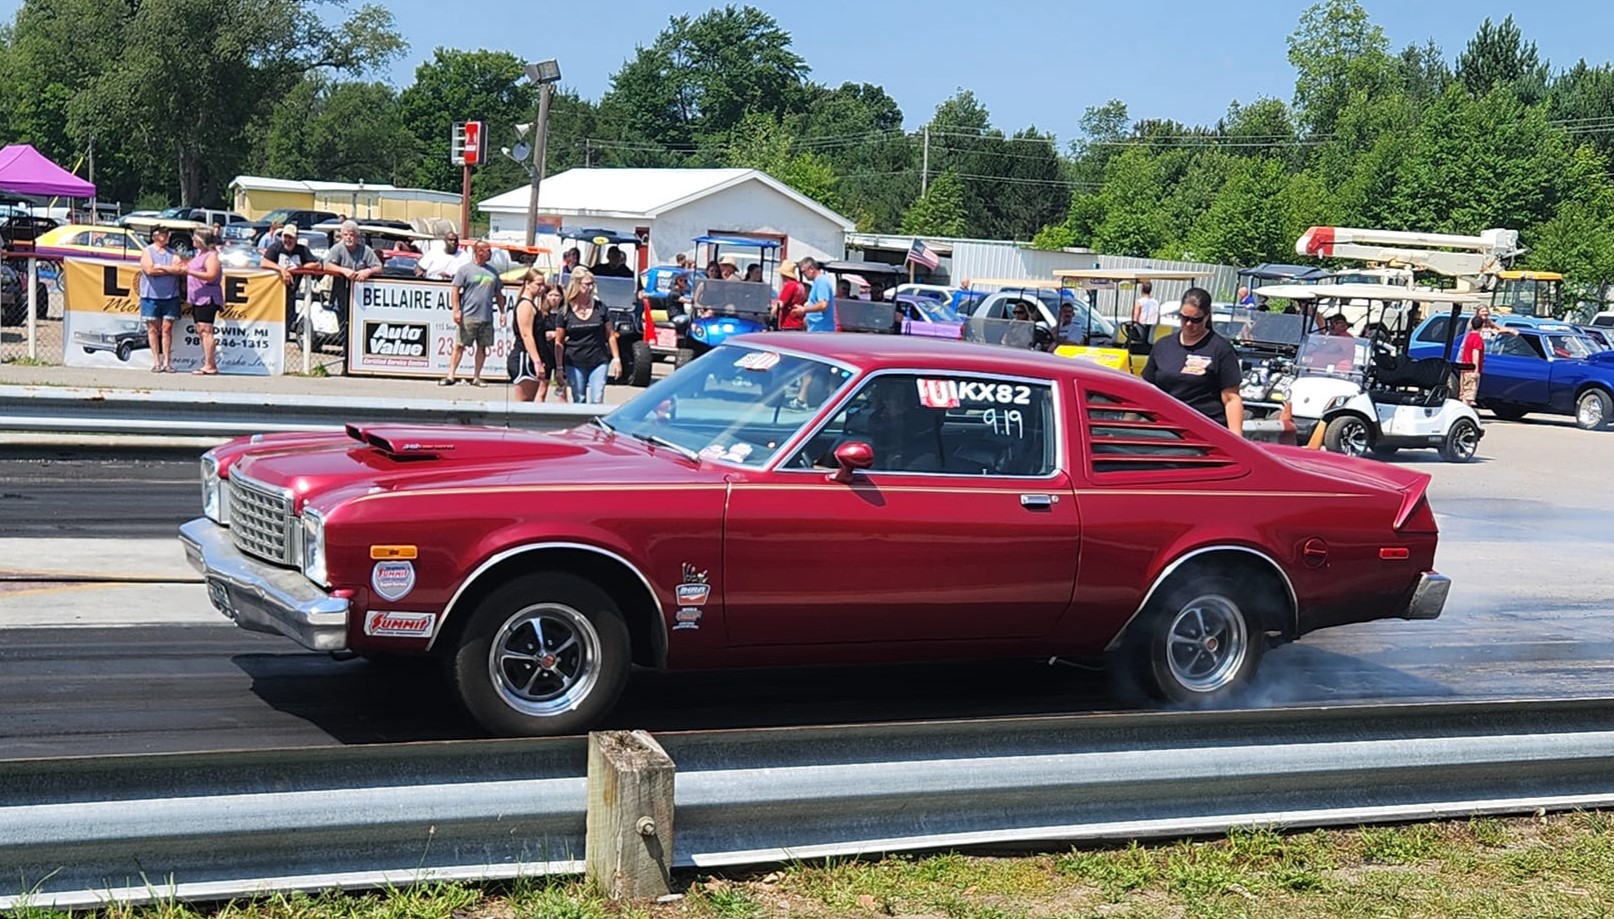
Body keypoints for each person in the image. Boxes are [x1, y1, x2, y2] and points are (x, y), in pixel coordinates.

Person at [1142, 287, 1243, 436]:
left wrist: (1237, 439)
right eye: (1184, 318)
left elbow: (1231, 398)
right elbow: (1146, 390)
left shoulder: (1220, 349)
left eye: (1196, 320)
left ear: (1207, 317)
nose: (1189, 324)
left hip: (1204, 431)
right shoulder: (1163, 346)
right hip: (1164, 430)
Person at [442, 241, 505, 387]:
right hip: (468, 315)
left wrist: (503, 312)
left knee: (482, 346)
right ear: (479, 251)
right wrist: (456, 310)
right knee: (460, 345)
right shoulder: (465, 270)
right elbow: (455, 290)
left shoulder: (493, 272)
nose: (490, 253)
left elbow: (499, 293)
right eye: (488, 250)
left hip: (486, 316)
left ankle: (477, 376)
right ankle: (451, 375)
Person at [555, 268, 620, 403]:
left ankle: (595, 423)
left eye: (592, 284)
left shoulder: (601, 308)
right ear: (577, 285)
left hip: (598, 360)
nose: (590, 288)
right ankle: (581, 424)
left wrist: (616, 359)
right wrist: (559, 368)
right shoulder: (565, 312)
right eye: (586, 284)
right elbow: (559, 342)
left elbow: (610, 335)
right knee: (579, 398)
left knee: (597, 398)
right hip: (574, 362)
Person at [324, 219, 382, 343]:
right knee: (343, 324)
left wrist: (367, 272)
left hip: (362, 297)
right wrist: (344, 271)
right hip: (341, 294)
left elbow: (379, 267)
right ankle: (345, 351)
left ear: (357, 237)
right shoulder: (337, 248)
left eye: (352, 235)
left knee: (360, 325)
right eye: (346, 234)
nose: (349, 238)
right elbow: (326, 265)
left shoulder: (365, 250)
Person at [138, 226, 185, 373]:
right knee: (153, 328)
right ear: (154, 236)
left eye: (166, 234)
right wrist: (168, 269)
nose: (165, 237)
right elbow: (149, 270)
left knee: (167, 328)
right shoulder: (147, 251)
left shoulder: (173, 253)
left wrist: (161, 267)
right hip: (150, 296)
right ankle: (156, 361)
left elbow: (179, 269)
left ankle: (167, 361)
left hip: (170, 296)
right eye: (162, 234)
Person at [259, 224, 319, 334]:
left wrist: (300, 268)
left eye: (290, 237)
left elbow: (317, 264)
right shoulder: (276, 247)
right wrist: (282, 270)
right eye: (285, 237)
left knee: (288, 319)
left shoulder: (302, 250)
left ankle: (284, 341)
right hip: (275, 292)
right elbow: (264, 262)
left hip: (291, 292)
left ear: (296, 238)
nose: (287, 240)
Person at [184, 228, 223, 375]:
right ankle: (208, 362)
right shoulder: (199, 254)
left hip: (208, 297)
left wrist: (189, 272)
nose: (193, 240)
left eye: (195, 238)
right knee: (201, 329)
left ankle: (210, 364)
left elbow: (211, 275)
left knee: (206, 330)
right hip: (197, 297)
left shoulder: (212, 256)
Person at [508, 269, 547, 401]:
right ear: (527, 284)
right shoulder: (525, 305)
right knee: (523, 403)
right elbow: (526, 336)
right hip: (524, 358)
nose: (542, 288)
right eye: (538, 284)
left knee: (530, 401)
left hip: (530, 358)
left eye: (543, 285)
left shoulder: (532, 305)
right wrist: (537, 362)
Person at [796, 257, 836, 333]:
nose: (803, 275)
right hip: (816, 329)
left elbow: (823, 305)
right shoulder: (817, 283)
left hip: (822, 330)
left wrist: (804, 309)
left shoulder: (822, 282)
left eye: (804, 272)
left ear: (812, 269)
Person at [1458, 314, 1486, 406]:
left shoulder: (1468, 337)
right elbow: (1475, 354)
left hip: (1464, 369)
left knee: (1463, 394)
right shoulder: (1478, 339)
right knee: (1469, 396)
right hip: (1471, 370)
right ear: (1482, 325)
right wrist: (1476, 370)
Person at [774, 260, 807, 330]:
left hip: (788, 323)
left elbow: (780, 304)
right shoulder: (800, 285)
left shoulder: (789, 285)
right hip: (799, 323)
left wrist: (771, 313)